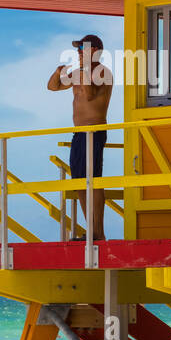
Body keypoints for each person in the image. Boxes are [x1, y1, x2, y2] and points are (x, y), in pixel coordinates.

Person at [48, 34, 113, 241]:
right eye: (77, 49)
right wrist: (58, 72)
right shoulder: (79, 72)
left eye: (82, 48)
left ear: (94, 50)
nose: (78, 52)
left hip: (94, 131)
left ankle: (97, 232)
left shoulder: (103, 72)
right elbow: (53, 87)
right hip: (79, 133)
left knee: (92, 180)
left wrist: (83, 70)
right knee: (79, 182)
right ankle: (91, 230)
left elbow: (89, 94)